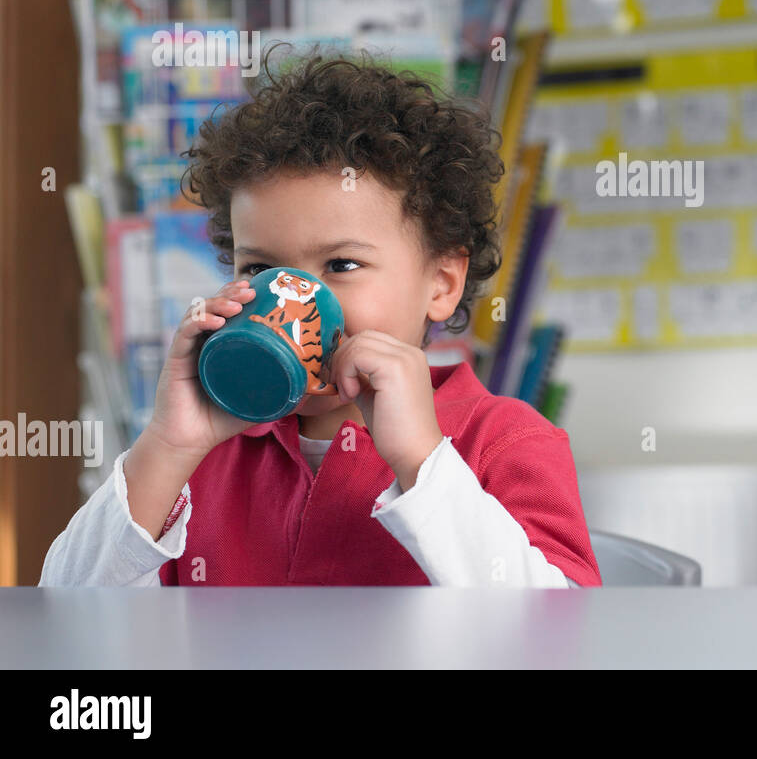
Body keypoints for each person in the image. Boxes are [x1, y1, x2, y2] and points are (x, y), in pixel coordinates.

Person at [41, 47, 601, 587]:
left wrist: (421, 464)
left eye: (341, 264)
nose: (293, 301)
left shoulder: (504, 442)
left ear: (442, 283)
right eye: (261, 267)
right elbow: (66, 620)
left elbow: (558, 636)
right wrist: (167, 446)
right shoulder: (206, 455)